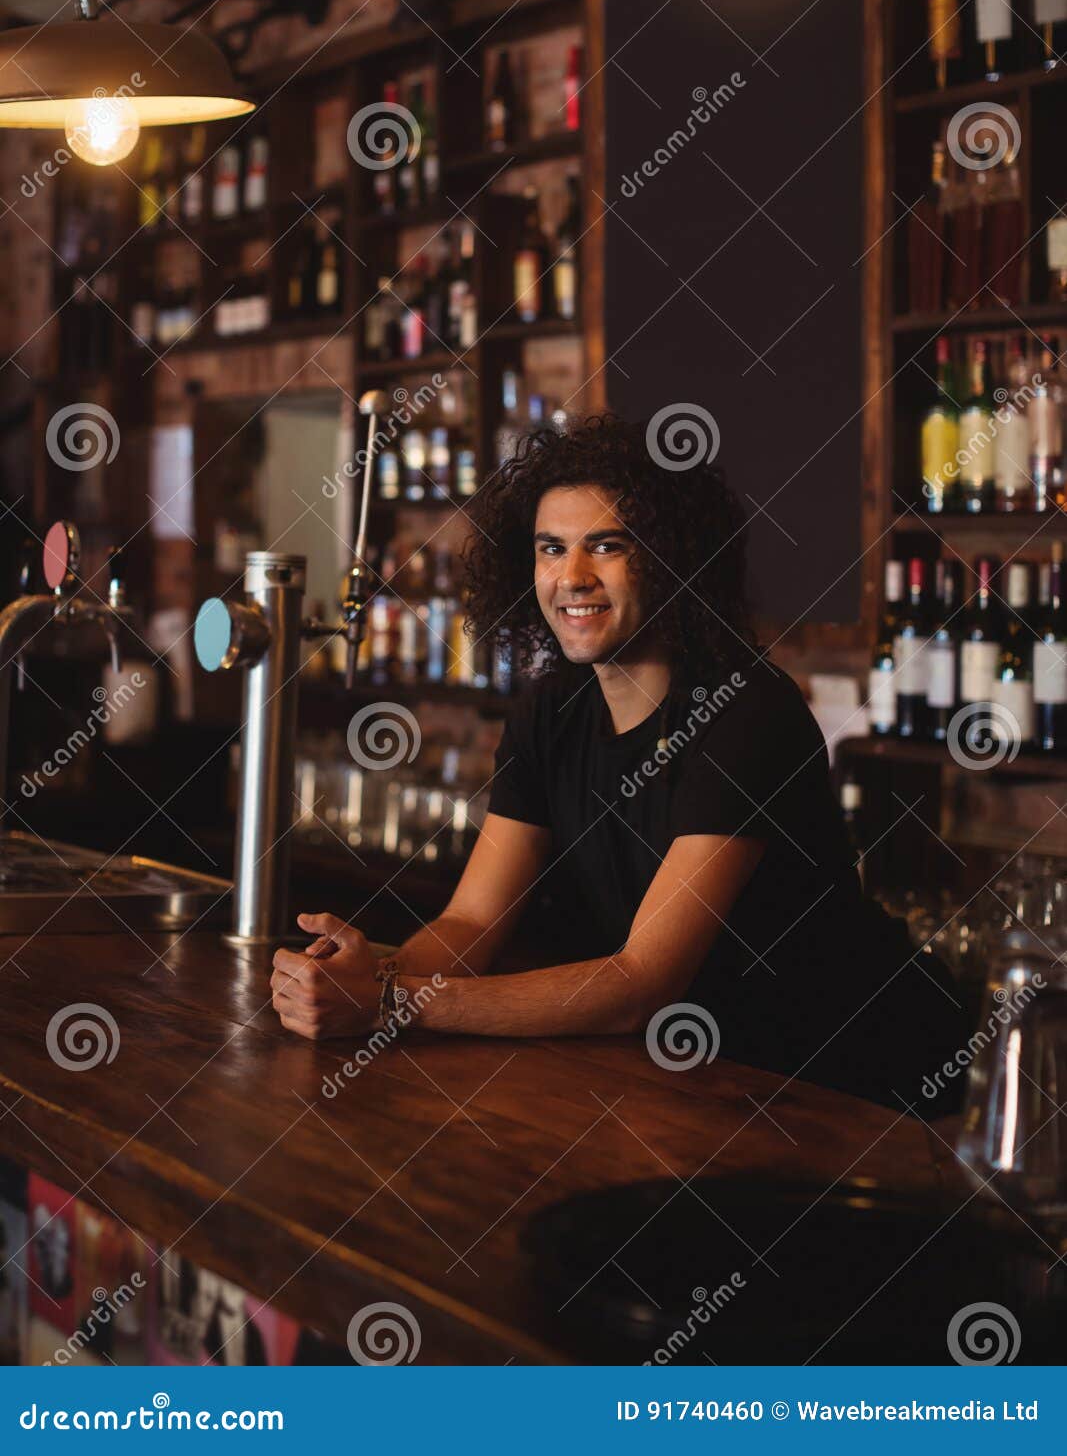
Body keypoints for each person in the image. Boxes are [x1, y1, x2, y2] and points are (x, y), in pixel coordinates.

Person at [270, 415, 968, 1113]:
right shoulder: (550, 711)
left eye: (605, 546)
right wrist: (364, 975)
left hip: (853, 1082)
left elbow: (642, 982)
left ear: (670, 557)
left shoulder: (746, 711)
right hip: (701, 1081)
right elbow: (472, 922)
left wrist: (392, 1004)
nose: (571, 577)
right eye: (550, 549)